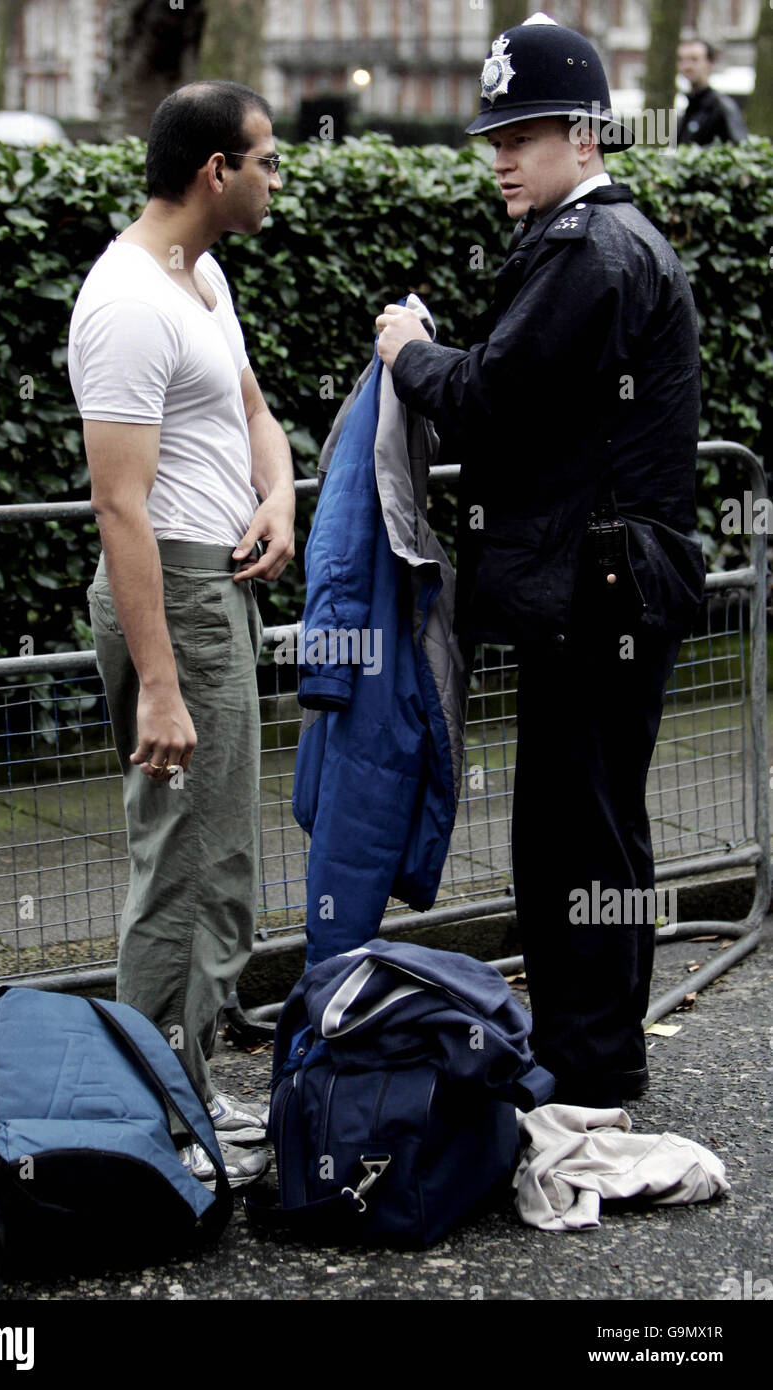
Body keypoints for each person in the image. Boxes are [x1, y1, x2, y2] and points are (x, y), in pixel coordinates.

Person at [375, 13, 706, 1108]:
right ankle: (590, 1052)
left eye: (521, 133)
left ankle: (593, 1066)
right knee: (590, 826)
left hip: (597, 586)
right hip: (606, 582)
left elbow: (489, 403)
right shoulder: (608, 242)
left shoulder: (587, 249)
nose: (501, 156)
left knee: (578, 838)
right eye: (493, 136)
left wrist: (405, 351)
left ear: (581, 133)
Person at [68, 80, 295, 1185]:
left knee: (217, 860)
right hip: (176, 604)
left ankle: (181, 1094)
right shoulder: (125, 303)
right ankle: (155, 1123)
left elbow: (251, 410)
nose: (274, 178)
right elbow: (121, 507)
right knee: (186, 870)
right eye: (265, 160)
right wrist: (158, 683)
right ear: (217, 172)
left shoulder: (199, 278)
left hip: (217, 588)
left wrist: (280, 495)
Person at [677, 38, 747, 145]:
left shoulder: (722, 108)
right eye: (682, 60)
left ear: (710, 64)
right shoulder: (688, 107)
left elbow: (740, 148)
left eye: (694, 59)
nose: (687, 66)